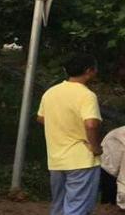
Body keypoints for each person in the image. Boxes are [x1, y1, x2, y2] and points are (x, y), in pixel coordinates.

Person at [37, 52, 102, 215]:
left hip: (56, 159)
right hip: (81, 160)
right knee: (77, 207)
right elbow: (91, 124)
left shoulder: (50, 92)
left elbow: (41, 118)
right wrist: (95, 147)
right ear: (89, 71)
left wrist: (62, 126)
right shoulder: (87, 95)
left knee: (58, 206)